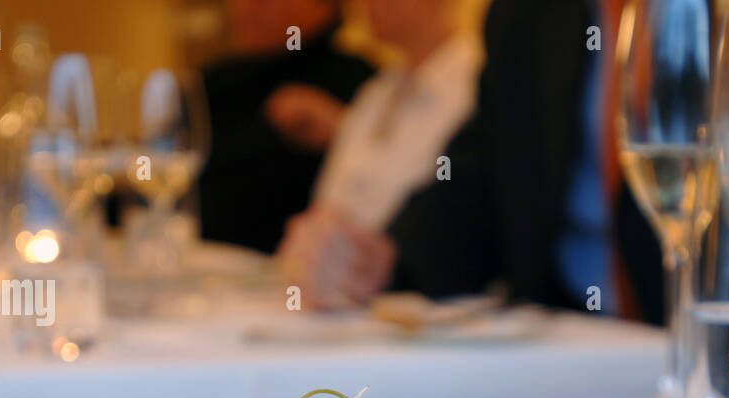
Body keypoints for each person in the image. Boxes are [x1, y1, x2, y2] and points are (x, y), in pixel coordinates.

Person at [279, 0, 665, 321]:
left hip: (704, 350)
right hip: (576, 343)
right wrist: (386, 258)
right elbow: (476, 187)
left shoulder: (721, 17)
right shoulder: (527, 16)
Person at [278, 0, 483, 307]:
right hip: (343, 298)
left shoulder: (478, 86)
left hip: (431, 306)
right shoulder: (374, 94)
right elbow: (326, 207)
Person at [198, 0, 375, 253]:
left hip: (301, 271)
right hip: (203, 266)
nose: (246, 7)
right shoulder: (212, 82)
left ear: (321, 7)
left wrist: (344, 130)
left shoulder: (360, 84)